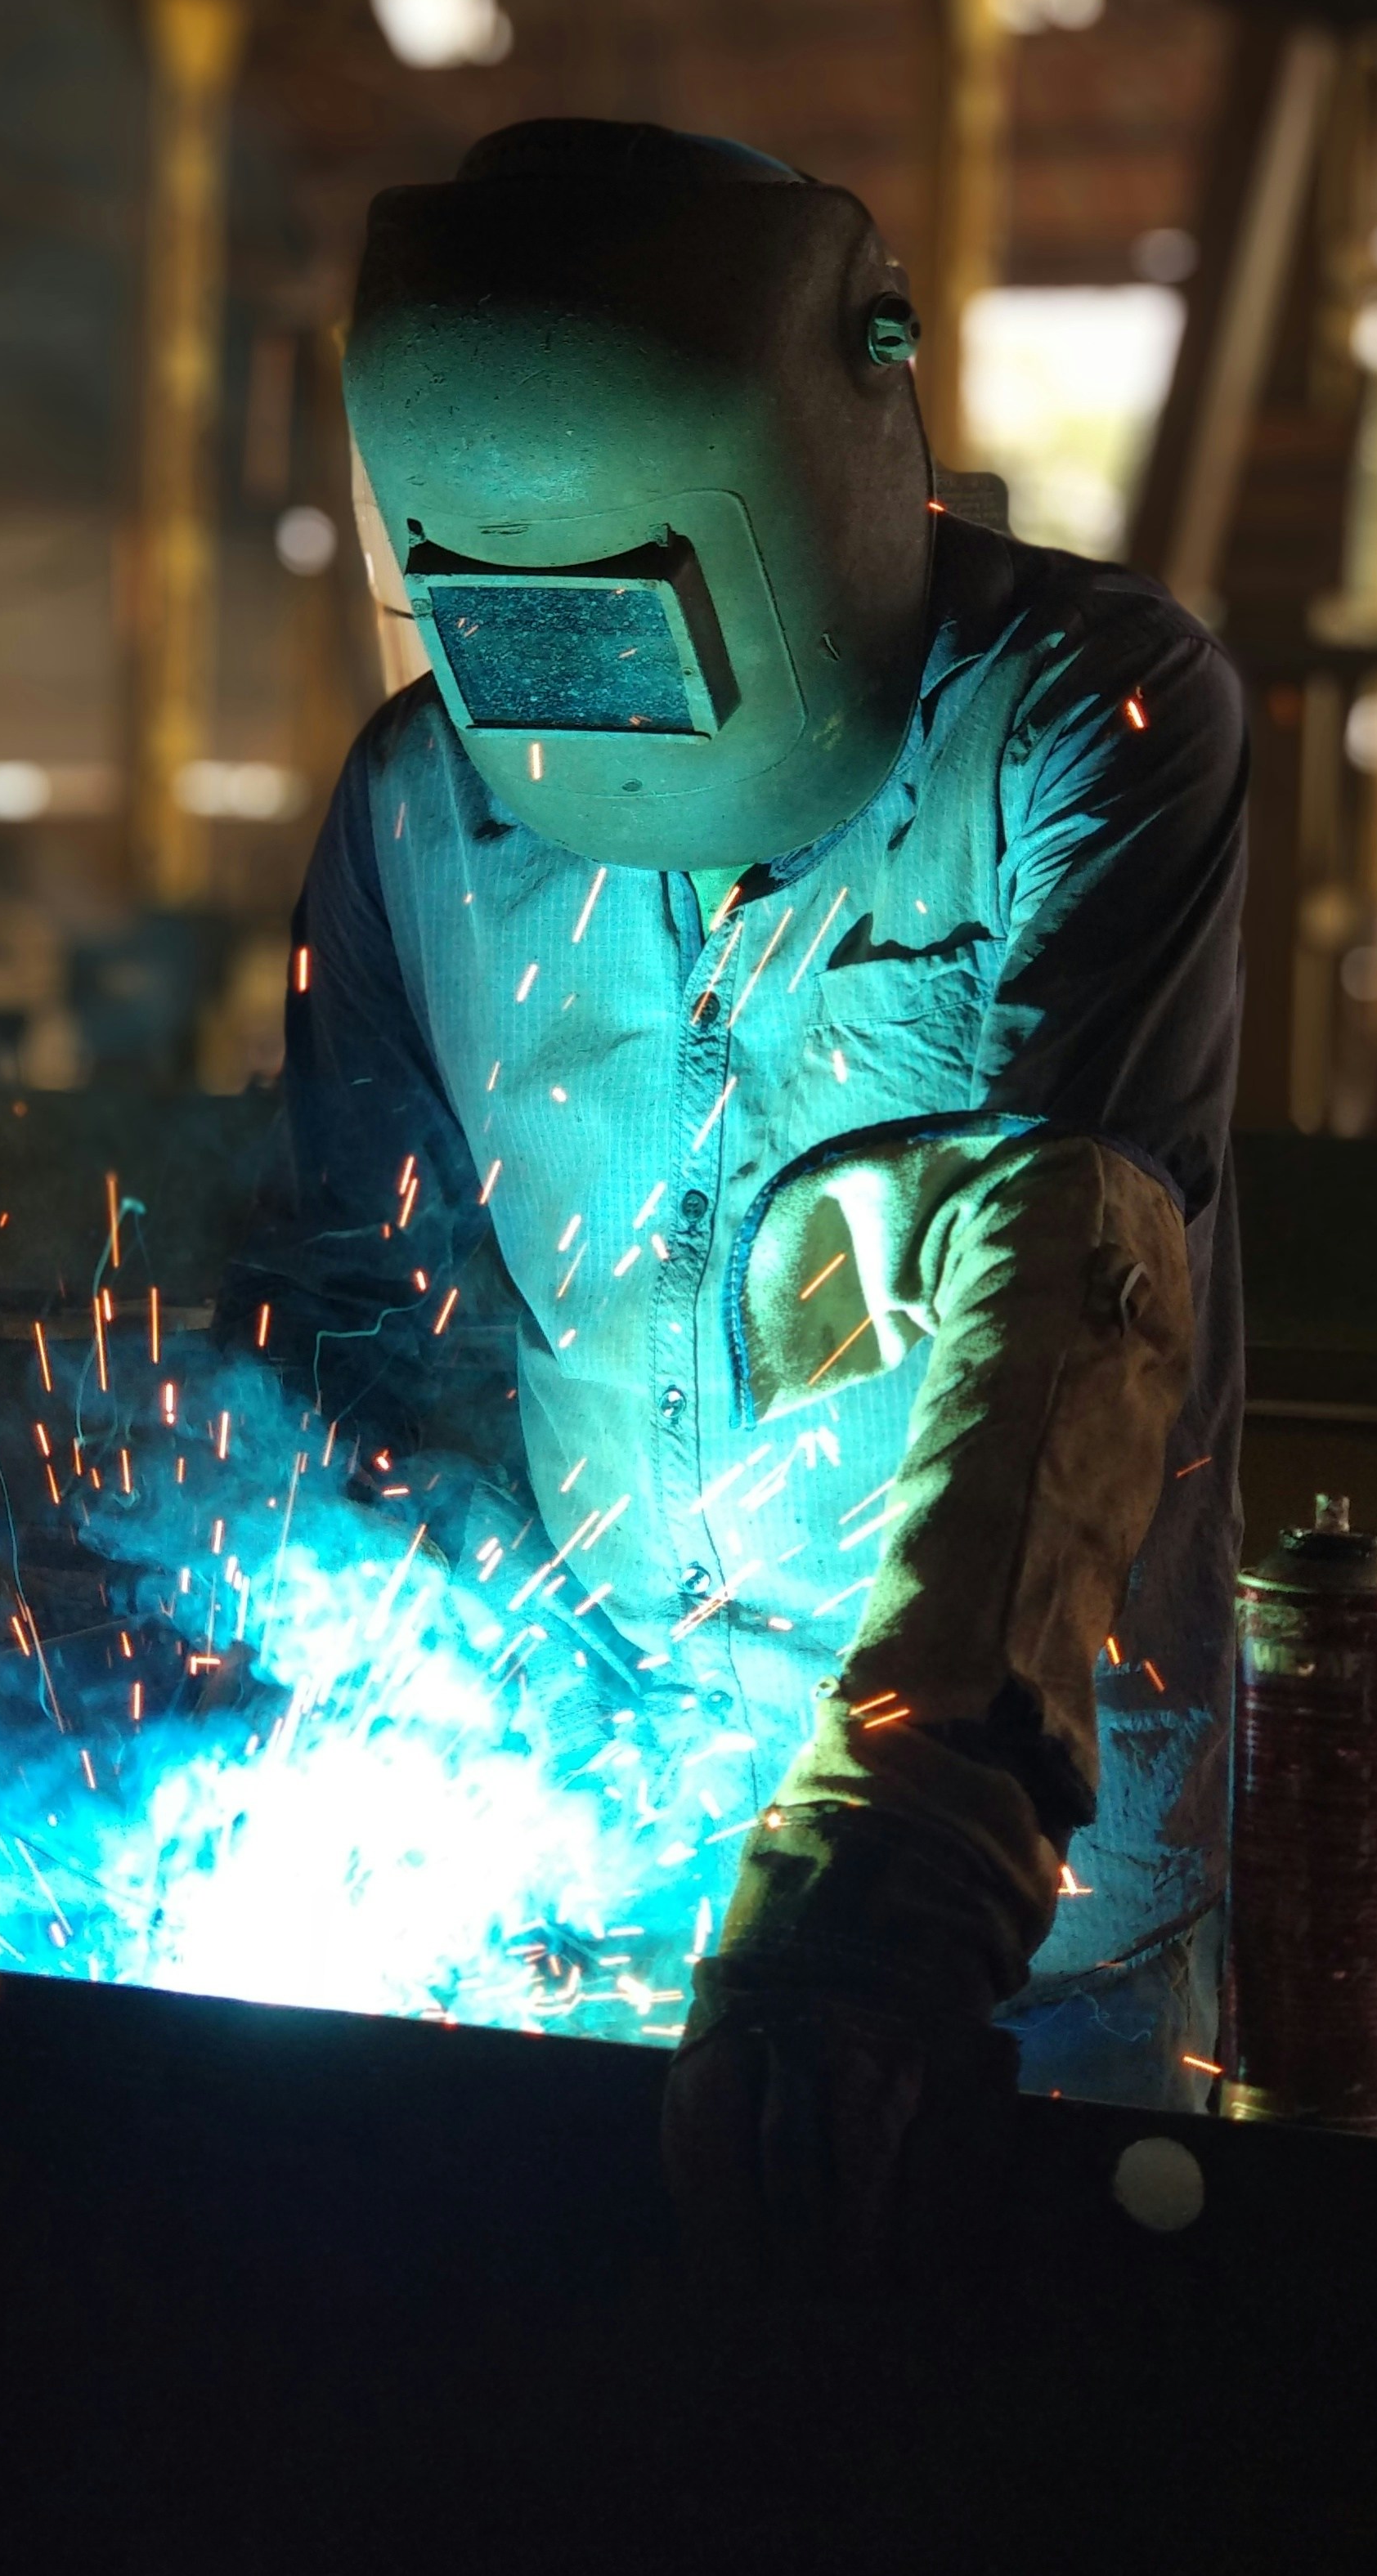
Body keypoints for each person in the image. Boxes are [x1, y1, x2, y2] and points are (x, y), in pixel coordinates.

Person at [231, 118, 1245, 2285]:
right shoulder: (421, 807)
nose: (577, 695)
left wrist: (900, 1869)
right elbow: (372, 1311)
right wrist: (391, 1720)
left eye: (633, 610)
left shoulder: (1082, 725)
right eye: (512, 621)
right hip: (587, 1845)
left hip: (1005, 1902)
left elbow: (1066, 1276)